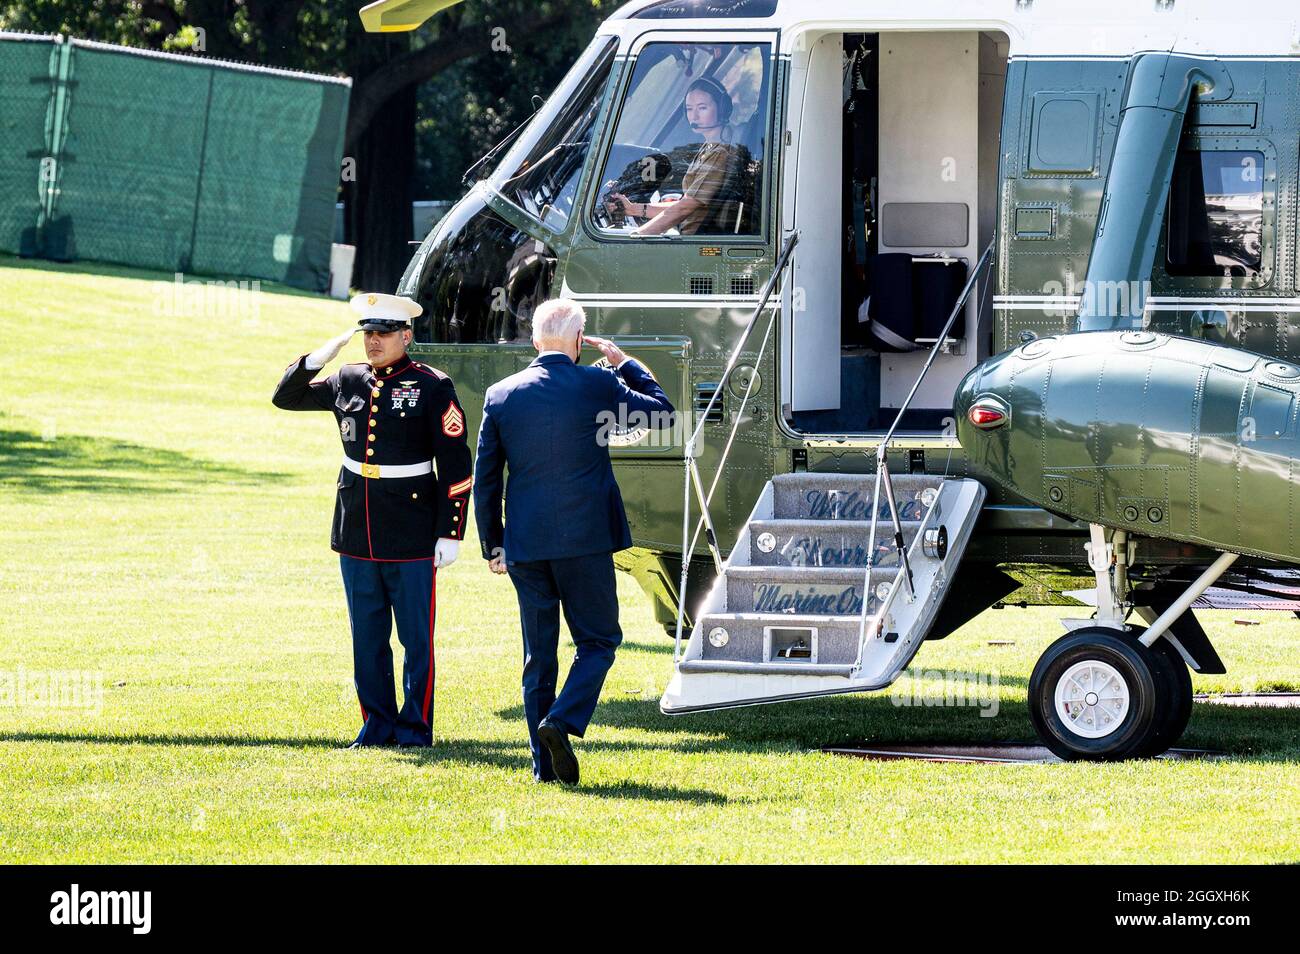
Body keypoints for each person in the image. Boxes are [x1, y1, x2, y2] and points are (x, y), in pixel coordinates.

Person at [473, 299, 675, 784]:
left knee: (538, 655)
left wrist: (492, 545)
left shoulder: (501, 394)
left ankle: (544, 769)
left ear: (535, 339)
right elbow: (664, 414)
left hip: (524, 545)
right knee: (599, 641)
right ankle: (560, 722)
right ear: (580, 341)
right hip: (584, 542)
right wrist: (626, 364)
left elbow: (485, 479)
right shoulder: (598, 382)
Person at [272, 292, 474, 749]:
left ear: (406, 335)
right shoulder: (347, 378)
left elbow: (457, 468)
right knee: (367, 636)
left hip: (413, 530)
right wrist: (318, 357)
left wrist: (451, 531)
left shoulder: (432, 385)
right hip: (356, 529)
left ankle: (415, 728)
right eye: (368, 333)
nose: (374, 342)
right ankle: (377, 725)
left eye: (383, 333)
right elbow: (285, 398)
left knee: (416, 641)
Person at [605, 76, 742, 236]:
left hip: (691, 243)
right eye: (689, 109)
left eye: (702, 108)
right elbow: (683, 204)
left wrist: (638, 236)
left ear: (722, 109)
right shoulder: (709, 147)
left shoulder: (720, 153)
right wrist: (633, 208)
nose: (694, 116)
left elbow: (685, 208)